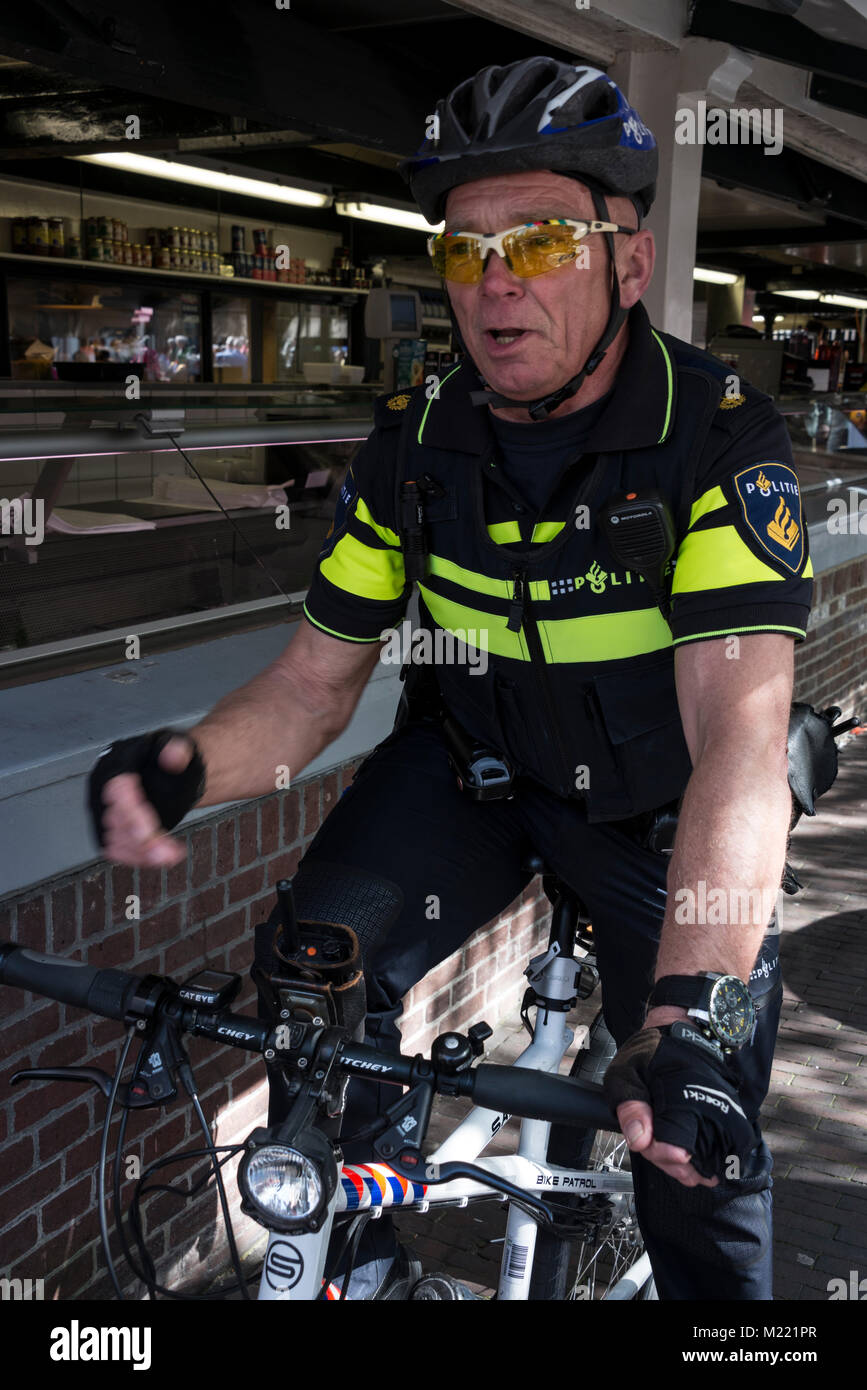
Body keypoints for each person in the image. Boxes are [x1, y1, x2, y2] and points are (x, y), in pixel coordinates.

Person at [89, 58, 813, 1300]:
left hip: (658, 810)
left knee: (697, 1135)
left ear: (629, 265)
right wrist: (187, 765)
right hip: (476, 772)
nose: (495, 280)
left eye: (538, 239)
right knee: (313, 982)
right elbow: (315, 684)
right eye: (464, 247)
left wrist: (693, 1009)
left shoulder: (719, 433)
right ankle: (356, 1261)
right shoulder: (415, 441)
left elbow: (738, 739)